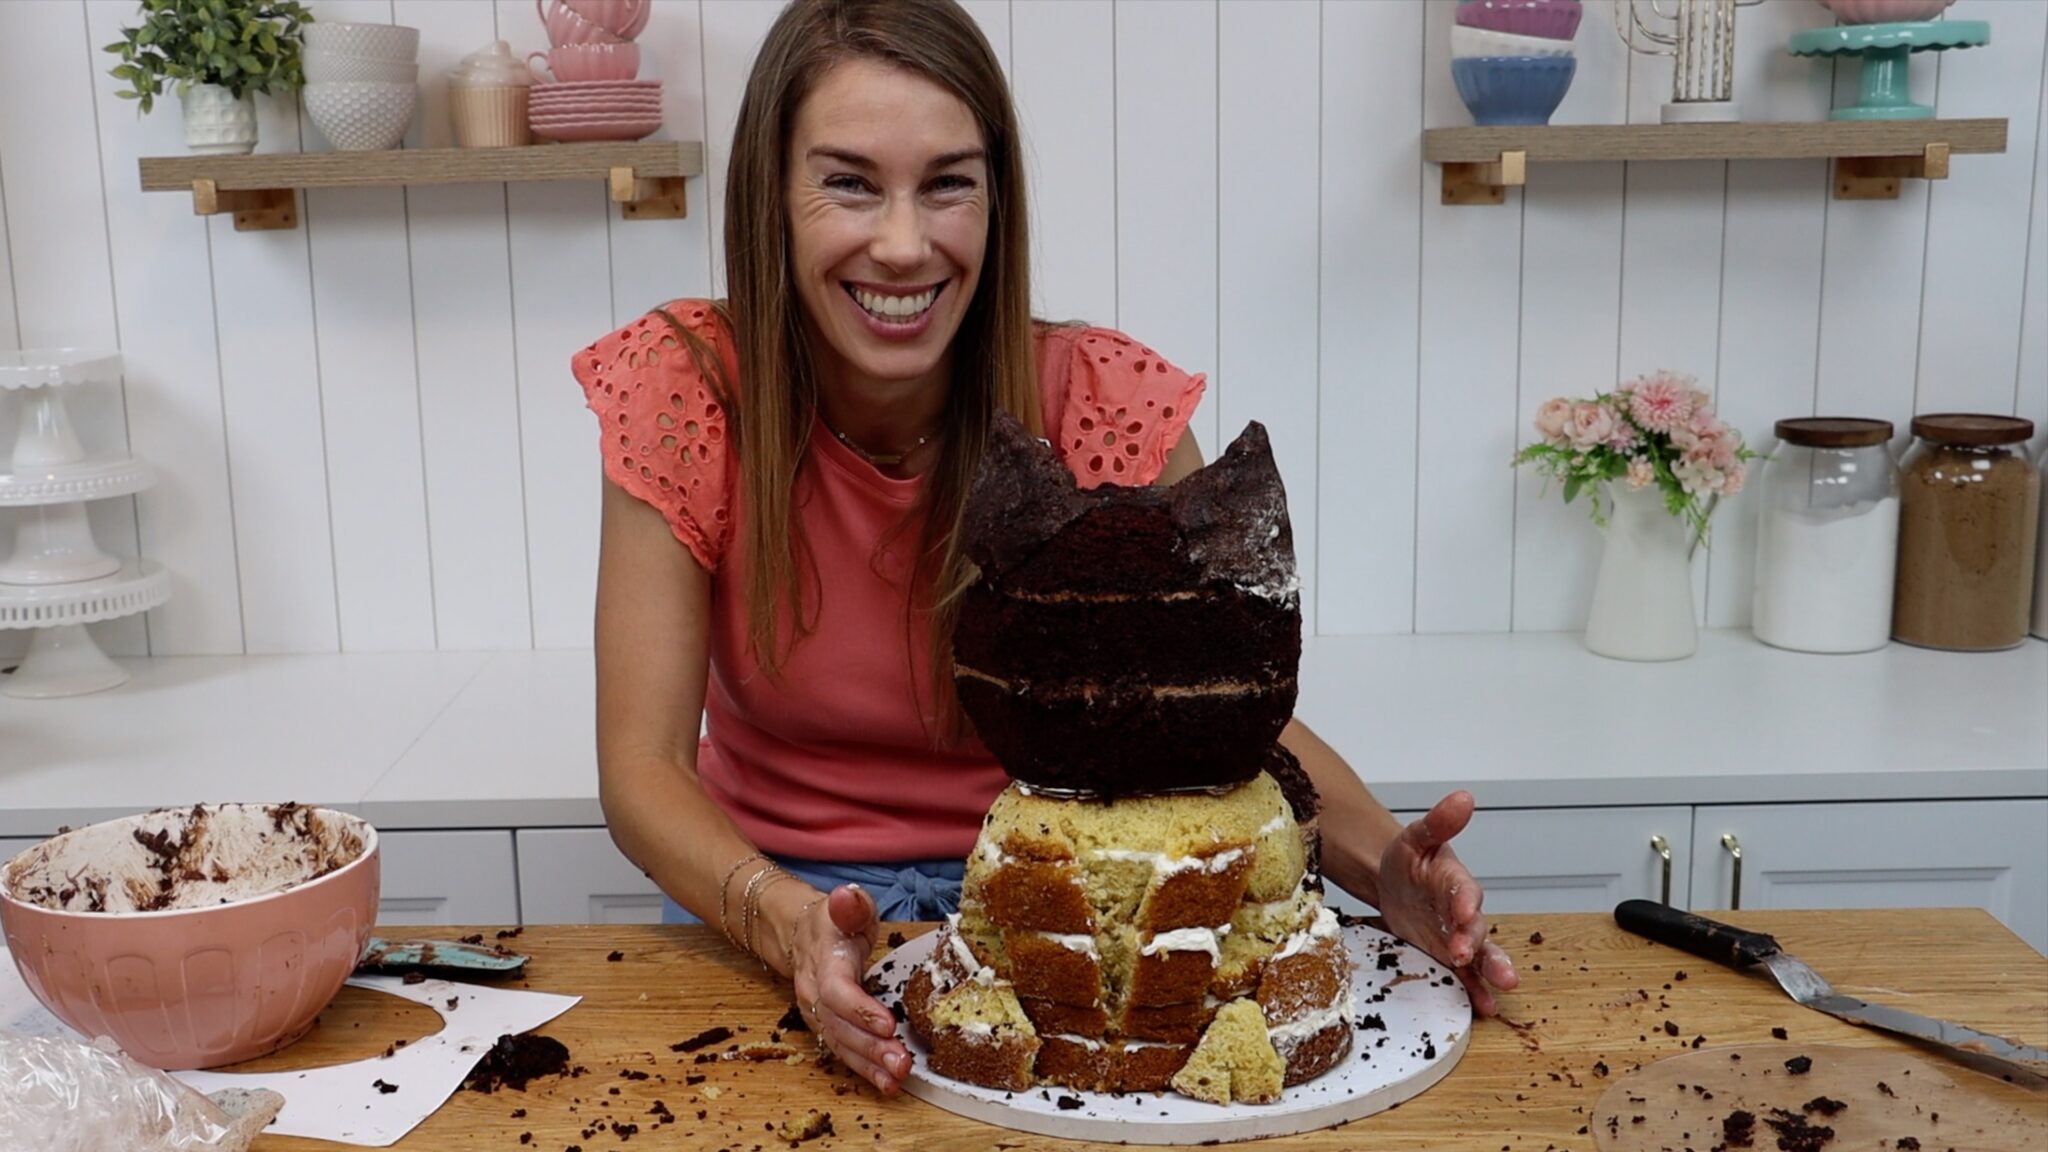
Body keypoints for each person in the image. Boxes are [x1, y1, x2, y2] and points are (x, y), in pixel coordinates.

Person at [573, 0, 1518, 1097]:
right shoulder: (686, 385)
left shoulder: (1101, 402)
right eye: (847, 182)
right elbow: (640, 769)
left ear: (997, 199)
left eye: (946, 182)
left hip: (1065, 912)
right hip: (770, 905)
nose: (901, 242)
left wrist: (1379, 871)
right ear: (769, 199)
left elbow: (1215, 705)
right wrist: (785, 924)